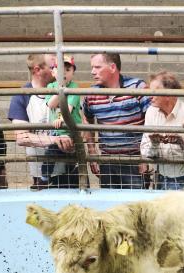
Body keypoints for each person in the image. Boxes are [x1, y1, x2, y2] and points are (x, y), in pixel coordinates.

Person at [82, 52, 152, 189]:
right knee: (110, 206)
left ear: (113, 67)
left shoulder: (137, 88)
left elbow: (150, 122)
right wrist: (92, 154)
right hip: (107, 161)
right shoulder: (92, 94)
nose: (92, 72)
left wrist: (144, 158)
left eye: (97, 67)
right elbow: (86, 120)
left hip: (134, 161)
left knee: (135, 206)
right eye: (92, 67)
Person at [8, 54, 74, 190]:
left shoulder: (68, 89)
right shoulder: (22, 96)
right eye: (53, 67)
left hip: (71, 170)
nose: (58, 71)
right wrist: (55, 140)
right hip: (42, 177)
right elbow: (21, 137)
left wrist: (73, 139)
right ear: (37, 70)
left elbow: (81, 123)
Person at [139, 71, 184, 190]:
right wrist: (155, 144)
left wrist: (182, 144)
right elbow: (145, 151)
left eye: (154, 91)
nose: (149, 96)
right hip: (160, 177)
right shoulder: (151, 112)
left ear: (168, 94)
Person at [43, 54, 82, 188]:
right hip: (58, 131)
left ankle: (78, 178)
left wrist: (60, 119)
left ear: (73, 73)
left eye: (68, 70)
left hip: (71, 130)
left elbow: (68, 109)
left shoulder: (74, 88)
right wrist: (60, 90)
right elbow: (51, 105)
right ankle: (44, 177)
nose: (64, 73)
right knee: (51, 152)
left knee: (74, 155)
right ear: (53, 72)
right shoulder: (51, 86)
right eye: (60, 70)